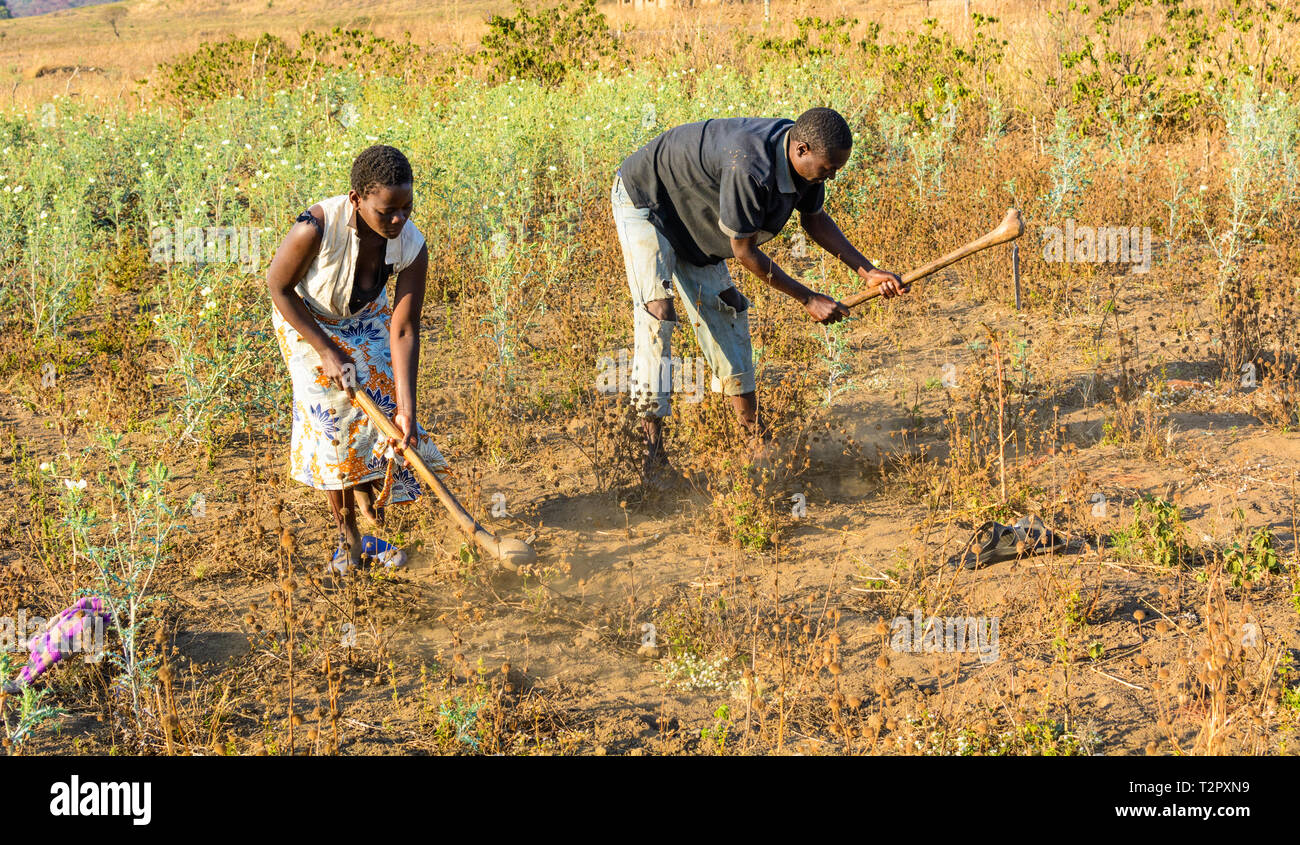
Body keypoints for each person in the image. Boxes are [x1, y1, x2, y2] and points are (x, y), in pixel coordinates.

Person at [610, 107, 907, 478]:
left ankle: (755, 441)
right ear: (801, 150)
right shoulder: (750, 167)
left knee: (728, 309)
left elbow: (814, 220)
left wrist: (867, 272)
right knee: (658, 317)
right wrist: (807, 297)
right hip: (647, 201)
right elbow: (744, 252)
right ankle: (652, 459)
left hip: (693, 216)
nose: (830, 176)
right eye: (828, 168)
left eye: (836, 170)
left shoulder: (805, 162)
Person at [267, 144, 447, 571]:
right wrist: (326, 351)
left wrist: (406, 410)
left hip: (364, 317)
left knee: (382, 407)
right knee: (334, 420)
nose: (398, 220)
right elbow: (277, 286)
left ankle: (372, 517)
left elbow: (403, 329)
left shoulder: (412, 245)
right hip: (305, 318)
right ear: (356, 200)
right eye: (386, 212)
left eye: (406, 208)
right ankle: (348, 538)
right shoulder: (315, 227)